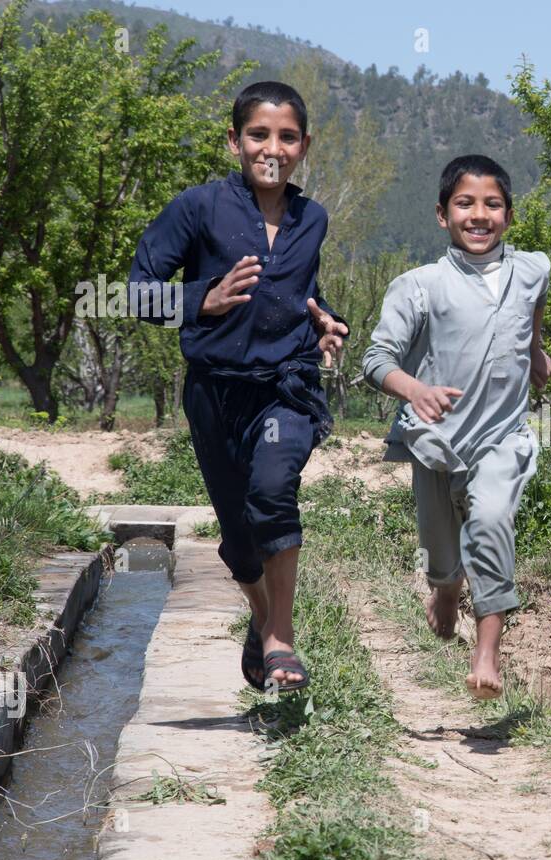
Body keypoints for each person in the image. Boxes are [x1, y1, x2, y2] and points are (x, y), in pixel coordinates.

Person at [129, 80, 349, 694]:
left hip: (286, 388)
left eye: (286, 137)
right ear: (234, 141)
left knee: (273, 491)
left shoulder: (313, 219)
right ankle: (262, 620)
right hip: (214, 394)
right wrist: (204, 297)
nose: (271, 148)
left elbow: (295, 293)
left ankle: (281, 638)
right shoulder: (198, 208)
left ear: (304, 146)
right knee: (240, 537)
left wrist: (327, 321)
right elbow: (137, 290)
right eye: (258, 135)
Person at [361, 154, 551, 699]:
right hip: (435, 443)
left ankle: (487, 649)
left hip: (502, 437)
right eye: (464, 204)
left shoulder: (531, 269)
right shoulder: (419, 286)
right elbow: (377, 358)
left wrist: (535, 351)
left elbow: (535, 301)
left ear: (509, 216)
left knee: (492, 519)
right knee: (441, 554)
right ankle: (445, 590)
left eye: (492, 204)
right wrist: (414, 390)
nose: (479, 214)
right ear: (442, 215)